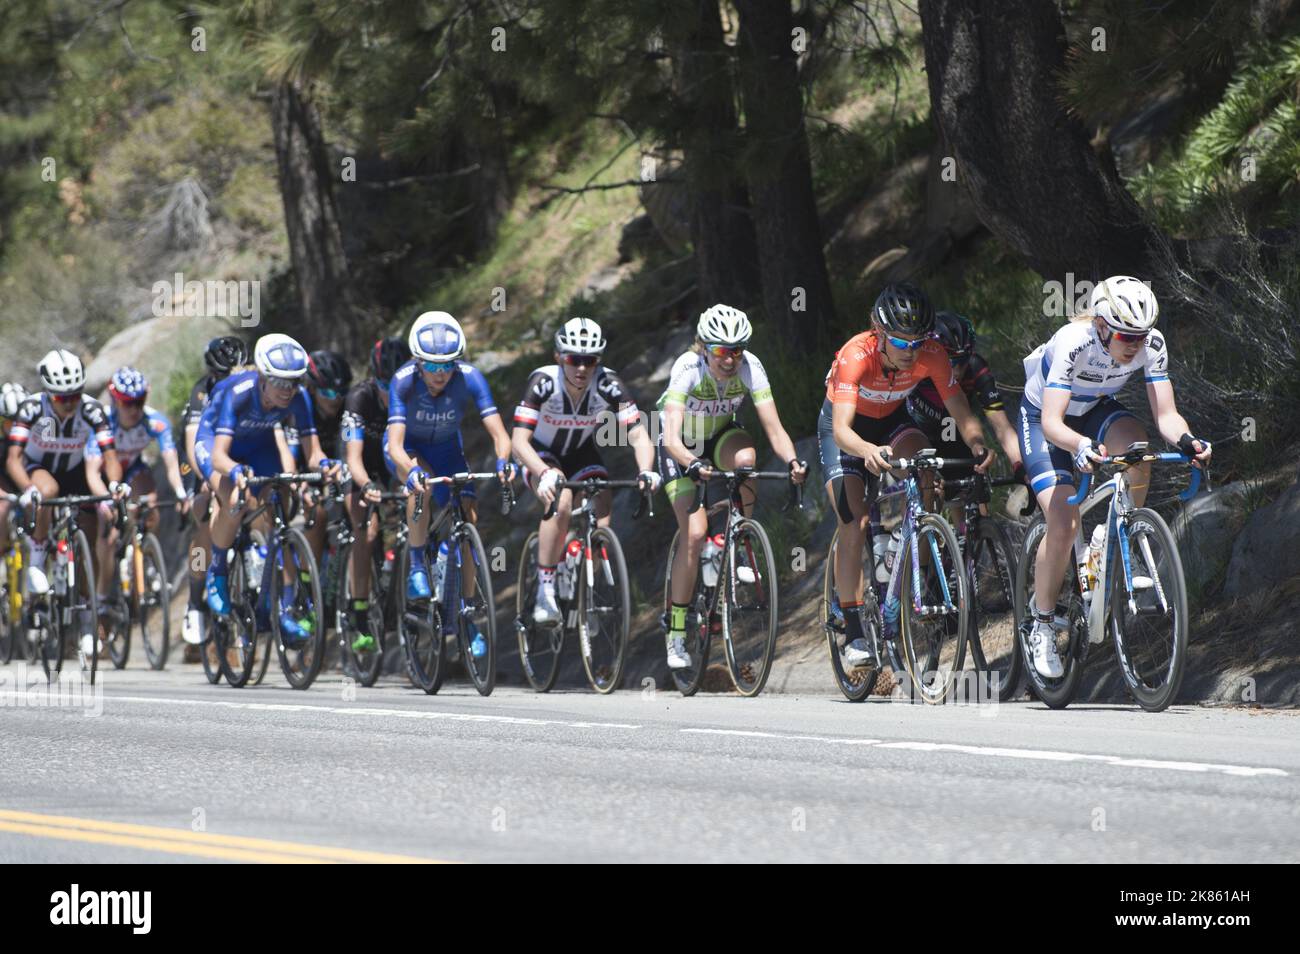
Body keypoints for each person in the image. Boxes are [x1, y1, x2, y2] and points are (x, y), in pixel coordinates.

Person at [1019, 276, 1211, 678]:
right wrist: (1081, 447)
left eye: (1142, 335)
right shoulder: (1073, 341)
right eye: (1127, 335)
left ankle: (1112, 534)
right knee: (1063, 522)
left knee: (1138, 449)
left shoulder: (1151, 344)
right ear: (1103, 326)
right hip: (1044, 420)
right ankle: (1041, 621)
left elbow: (1166, 416)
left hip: (1092, 407)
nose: (1136, 345)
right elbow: (1054, 422)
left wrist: (1190, 440)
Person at [819, 283, 991, 672]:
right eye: (900, 341)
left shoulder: (931, 354)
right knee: (855, 520)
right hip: (844, 429)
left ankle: (919, 540)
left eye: (918, 341)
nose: (910, 350)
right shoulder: (855, 356)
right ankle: (853, 629)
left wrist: (978, 444)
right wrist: (867, 452)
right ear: (878, 332)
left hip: (893, 420)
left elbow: (959, 407)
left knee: (926, 466)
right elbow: (843, 430)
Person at [657, 304, 807, 671]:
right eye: (722, 351)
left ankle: (738, 542)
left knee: (746, 462)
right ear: (704, 347)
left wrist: (792, 462)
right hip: (682, 448)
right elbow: (671, 438)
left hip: (721, 435)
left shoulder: (751, 367)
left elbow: (774, 428)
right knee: (693, 535)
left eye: (736, 350)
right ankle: (676, 632)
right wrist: (692, 463)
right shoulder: (686, 368)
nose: (730, 359)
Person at [510, 317, 659, 624]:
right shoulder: (543, 383)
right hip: (539, 453)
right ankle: (545, 590)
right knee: (561, 500)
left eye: (589, 361)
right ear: (558, 357)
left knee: (603, 497)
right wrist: (542, 471)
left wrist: (646, 470)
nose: (581, 368)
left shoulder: (609, 384)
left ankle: (587, 580)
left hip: (580, 452)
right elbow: (518, 442)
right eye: (573, 360)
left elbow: (638, 434)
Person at [385, 311, 514, 660]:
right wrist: (410, 471)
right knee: (421, 488)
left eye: (447, 365)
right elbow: (395, 445)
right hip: (407, 450)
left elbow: (500, 434)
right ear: (417, 360)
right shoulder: (403, 381)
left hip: (447, 451)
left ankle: (468, 614)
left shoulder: (470, 378)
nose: (440, 373)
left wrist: (503, 462)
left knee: (468, 520)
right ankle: (415, 564)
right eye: (431, 365)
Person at [195, 333, 340, 641]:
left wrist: (326, 466)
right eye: (281, 382)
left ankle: (282, 610)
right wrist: (235, 471)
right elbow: (220, 455)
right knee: (233, 498)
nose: (289, 390)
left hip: (259, 446)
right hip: (217, 446)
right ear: (262, 376)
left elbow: (313, 453)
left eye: (295, 382)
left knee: (279, 519)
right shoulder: (238, 392)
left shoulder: (298, 398)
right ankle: (217, 572)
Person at [6, 351, 129, 655]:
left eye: (75, 395)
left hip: (74, 473)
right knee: (46, 491)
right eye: (62, 399)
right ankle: (37, 556)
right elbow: (13, 459)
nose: (70, 403)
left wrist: (113, 484)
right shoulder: (32, 408)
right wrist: (26, 488)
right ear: (49, 393)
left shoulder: (92, 410)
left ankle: (88, 619)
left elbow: (110, 456)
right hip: (39, 469)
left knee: (89, 534)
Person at [84, 367, 189, 613]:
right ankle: (102, 594)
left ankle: (147, 554)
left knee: (150, 505)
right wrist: (105, 502)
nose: (134, 409)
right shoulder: (102, 424)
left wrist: (181, 493)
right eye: (127, 404)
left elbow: (172, 465)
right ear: (115, 402)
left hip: (132, 468)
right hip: (102, 474)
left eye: (139, 402)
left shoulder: (155, 422)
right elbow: (91, 472)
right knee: (107, 535)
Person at [339, 336, 409, 653]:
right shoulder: (359, 398)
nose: (389, 390)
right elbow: (352, 457)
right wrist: (367, 485)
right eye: (384, 382)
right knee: (365, 530)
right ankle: (359, 609)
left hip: (394, 466)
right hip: (362, 468)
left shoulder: (412, 393)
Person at [180, 335, 248, 651]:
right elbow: (195, 443)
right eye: (222, 376)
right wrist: (206, 478)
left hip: (238, 456)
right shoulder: (201, 392)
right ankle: (195, 600)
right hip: (204, 459)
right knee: (204, 516)